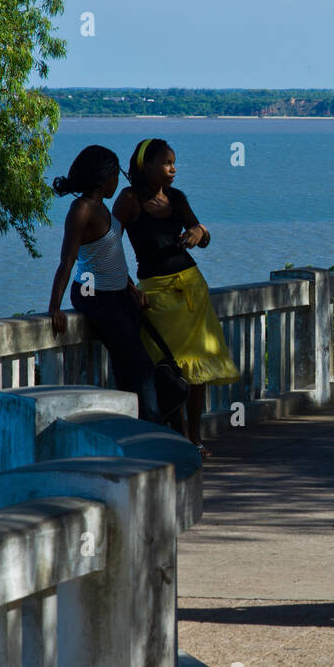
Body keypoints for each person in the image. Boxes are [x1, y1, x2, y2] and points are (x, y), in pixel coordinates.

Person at [114, 138, 240, 456]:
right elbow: (108, 247)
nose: (173, 169)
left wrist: (201, 232)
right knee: (167, 369)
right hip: (155, 291)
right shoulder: (128, 200)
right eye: (167, 163)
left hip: (192, 288)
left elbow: (201, 234)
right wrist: (129, 287)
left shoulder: (176, 197)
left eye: (174, 162)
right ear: (147, 166)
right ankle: (176, 438)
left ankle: (194, 439)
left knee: (197, 369)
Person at [47, 145, 161, 424]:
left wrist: (131, 287)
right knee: (140, 366)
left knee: (131, 368)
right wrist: (55, 305)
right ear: (103, 177)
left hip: (119, 295)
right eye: (114, 175)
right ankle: (153, 430)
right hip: (96, 297)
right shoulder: (82, 208)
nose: (118, 181)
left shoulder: (102, 208)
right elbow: (68, 259)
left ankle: (137, 428)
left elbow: (111, 256)